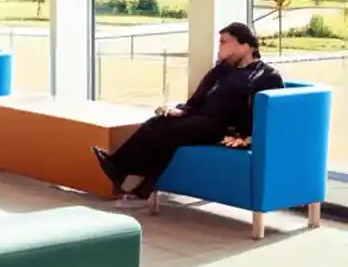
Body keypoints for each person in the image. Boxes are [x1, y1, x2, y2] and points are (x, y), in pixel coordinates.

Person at [92, 22, 284, 206]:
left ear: (245, 44)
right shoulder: (223, 69)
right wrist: (182, 110)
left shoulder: (266, 75)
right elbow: (200, 95)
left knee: (166, 130)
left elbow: (271, 114)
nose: (221, 47)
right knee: (159, 122)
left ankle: (126, 172)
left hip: (224, 128)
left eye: (224, 41)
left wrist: (246, 137)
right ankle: (130, 175)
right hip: (201, 119)